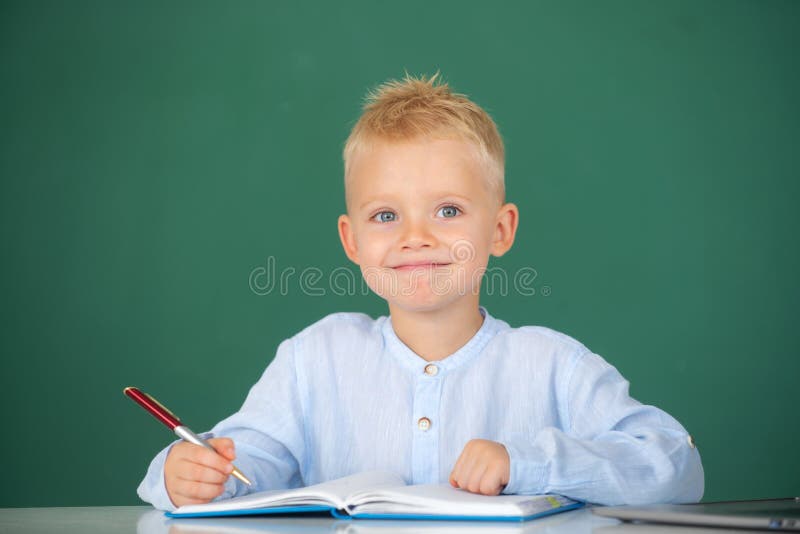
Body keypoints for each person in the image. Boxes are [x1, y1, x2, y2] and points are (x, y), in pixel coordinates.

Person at [137, 73, 704, 511]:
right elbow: (247, 459)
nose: (415, 237)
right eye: (385, 215)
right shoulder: (317, 358)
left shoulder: (550, 363)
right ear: (351, 240)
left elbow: (676, 464)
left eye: (449, 210)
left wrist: (526, 463)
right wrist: (185, 474)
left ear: (500, 230)